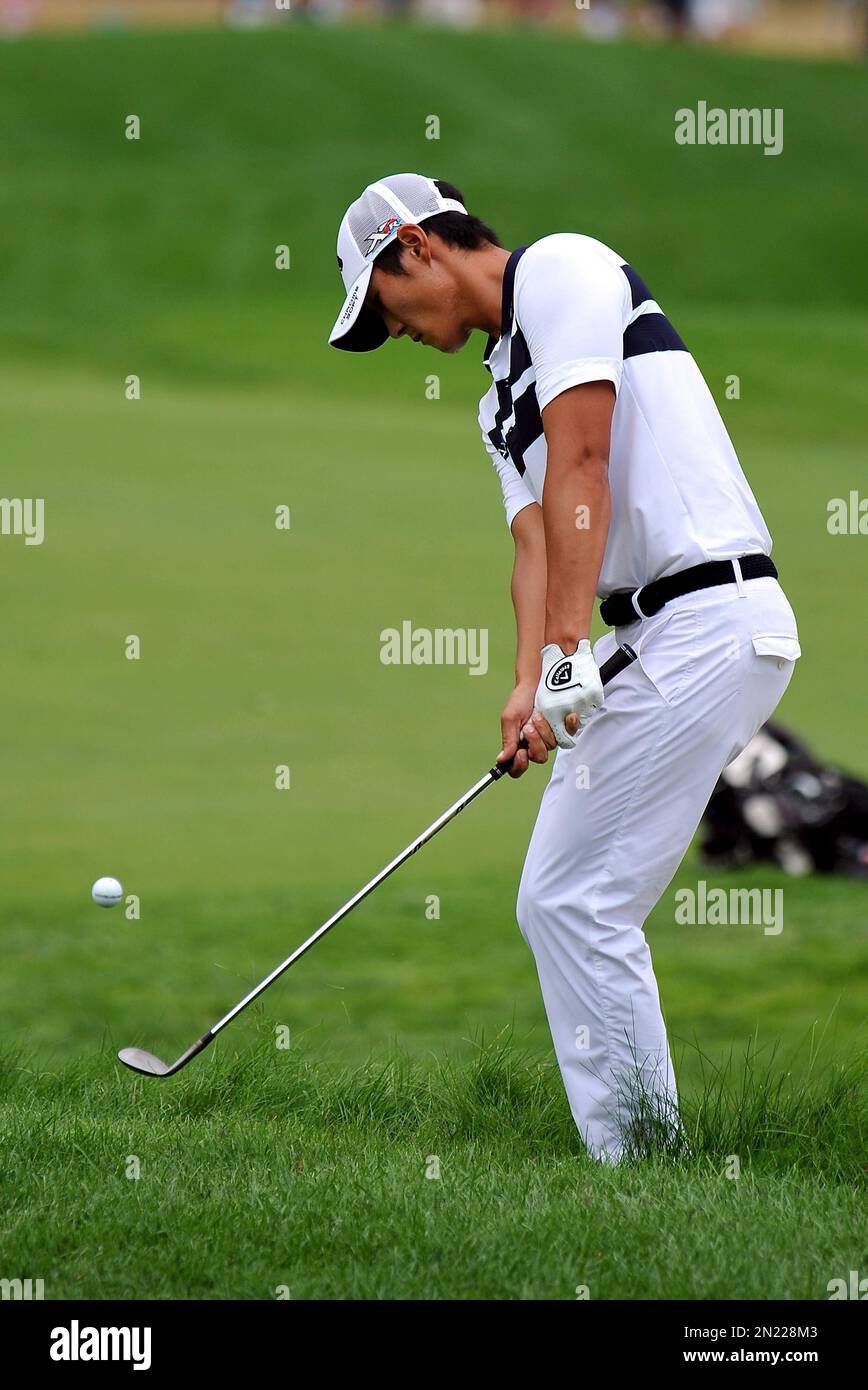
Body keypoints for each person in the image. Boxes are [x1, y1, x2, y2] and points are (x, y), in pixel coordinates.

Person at [328, 173, 801, 1161]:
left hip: (708, 612)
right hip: (654, 632)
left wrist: (562, 658)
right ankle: (641, 1157)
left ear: (414, 244)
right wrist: (527, 680)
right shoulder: (496, 401)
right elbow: (537, 539)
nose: (395, 330)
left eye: (383, 306)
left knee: (574, 897)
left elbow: (584, 462)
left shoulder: (563, 270)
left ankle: (640, 1164)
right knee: (561, 895)